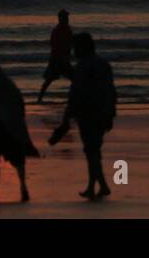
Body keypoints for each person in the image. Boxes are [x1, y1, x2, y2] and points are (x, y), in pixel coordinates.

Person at [49, 32, 117, 200]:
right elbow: (110, 91)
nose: (74, 50)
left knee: (91, 150)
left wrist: (66, 119)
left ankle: (98, 186)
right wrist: (111, 113)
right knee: (94, 150)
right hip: (102, 111)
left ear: (83, 47)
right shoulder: (103, 64)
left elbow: (77, 94)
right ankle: (97, 186)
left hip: (88, 113)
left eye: (76, 47)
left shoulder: (83, 66)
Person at [0, 61, 39, 204]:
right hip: (9, 123)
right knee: (17, 155)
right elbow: (19, 100)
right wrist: (18, 118)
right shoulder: (6, 81)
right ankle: (23, 186)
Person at [37, 9, 74, 102]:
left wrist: (67, 55)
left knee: (74, 78)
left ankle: (75, 97)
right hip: (56, 59)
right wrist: (61, 57)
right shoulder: (57, 31)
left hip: (63, 59)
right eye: (65, 17)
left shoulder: (68, 30)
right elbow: (54, 45)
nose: (67, 19)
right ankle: (39, 98)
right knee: (49, 80)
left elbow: (69, 44)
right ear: (60, 18)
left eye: (67, 17)